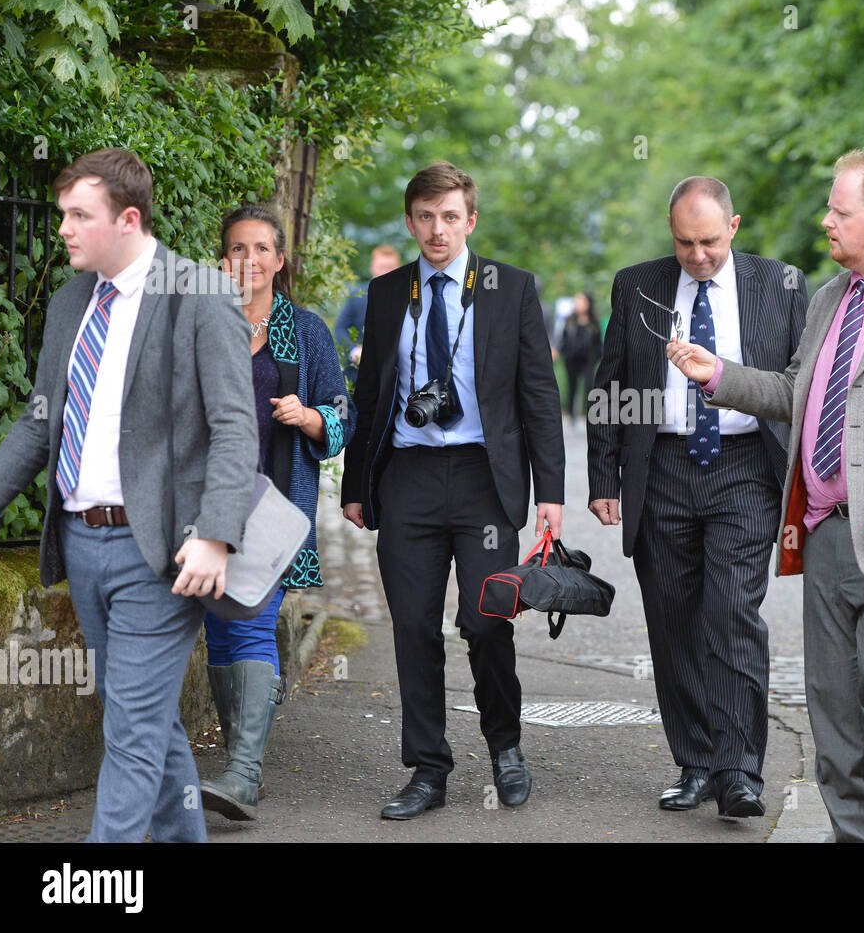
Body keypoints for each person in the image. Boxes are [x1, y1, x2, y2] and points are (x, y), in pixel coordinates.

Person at [667, 149, 864, 842]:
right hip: (828, 533)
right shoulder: (826, 301)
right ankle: (858, 835)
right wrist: (717, 372)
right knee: (834, 707)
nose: (826, 222)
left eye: (839, 212)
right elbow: (794, 394)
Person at [0, 148, 257, 842]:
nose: (63, 229)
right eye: (61, 215)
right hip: (82, 543)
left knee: (132, 729)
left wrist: (215, 532)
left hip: (164, 550)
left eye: (80, 215)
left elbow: (235, 426)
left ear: (128, 218)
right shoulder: (70, 300)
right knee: (139, 711)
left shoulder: (198, 293)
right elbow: (40, 420)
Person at [340, 161, 565, 820]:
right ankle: (427, 768)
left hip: (482, 479)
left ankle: (506, 746)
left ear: (470, 220)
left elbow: (539, 396)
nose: (437, 229)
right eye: (425, 217)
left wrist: (549, 488)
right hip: (407, 477)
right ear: (411, 221)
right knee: (412, 627)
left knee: (486, 617)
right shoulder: (386, 294)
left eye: (450, 216)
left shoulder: (511, 288)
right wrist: (358, 485)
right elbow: (371, 395)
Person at [587, 176, 807, 818]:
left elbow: (798, 384)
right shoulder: (637, 285)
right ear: (670, 230)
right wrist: (605, 480)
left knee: (733, 612)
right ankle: (696, 764)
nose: (698, 255)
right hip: (662, 469)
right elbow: (611, 385)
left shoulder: (780, 284)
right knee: (673, 620)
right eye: (685, 243)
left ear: (733, 228)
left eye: (709, 241)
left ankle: (741, 771)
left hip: (744, 467)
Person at [197, 204, 355, 822]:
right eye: (238, 249)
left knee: (254, 624)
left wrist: (312, 417)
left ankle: (241, 771)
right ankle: (244, 761)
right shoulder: (202, 324)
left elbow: (342, 413)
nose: (250, 262)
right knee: (218, 627)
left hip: (273, 503)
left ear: (279, 260)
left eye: (262, 250)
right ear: (223, 259)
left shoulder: (306, 331)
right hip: (207, 505)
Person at [334, 244, 400, 387]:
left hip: (396, 377)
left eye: (391, 267)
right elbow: (340, 328)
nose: (386, 271)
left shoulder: (409, 297)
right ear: (373, 266)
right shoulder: (357, 295)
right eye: (382, 266)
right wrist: (354, 350)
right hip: (358, 375)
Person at [558, 290, 602, 419]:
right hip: (572, 359)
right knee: (572, 386)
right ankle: (571, 414)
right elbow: (564, 340)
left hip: (588, 360)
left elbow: (598, 343)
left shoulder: (594, 322)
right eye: (577, 301)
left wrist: (598, 357)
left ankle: (589, 413)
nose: (578, 304)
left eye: (581, 301)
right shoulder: (569, 321)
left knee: (589, 386)